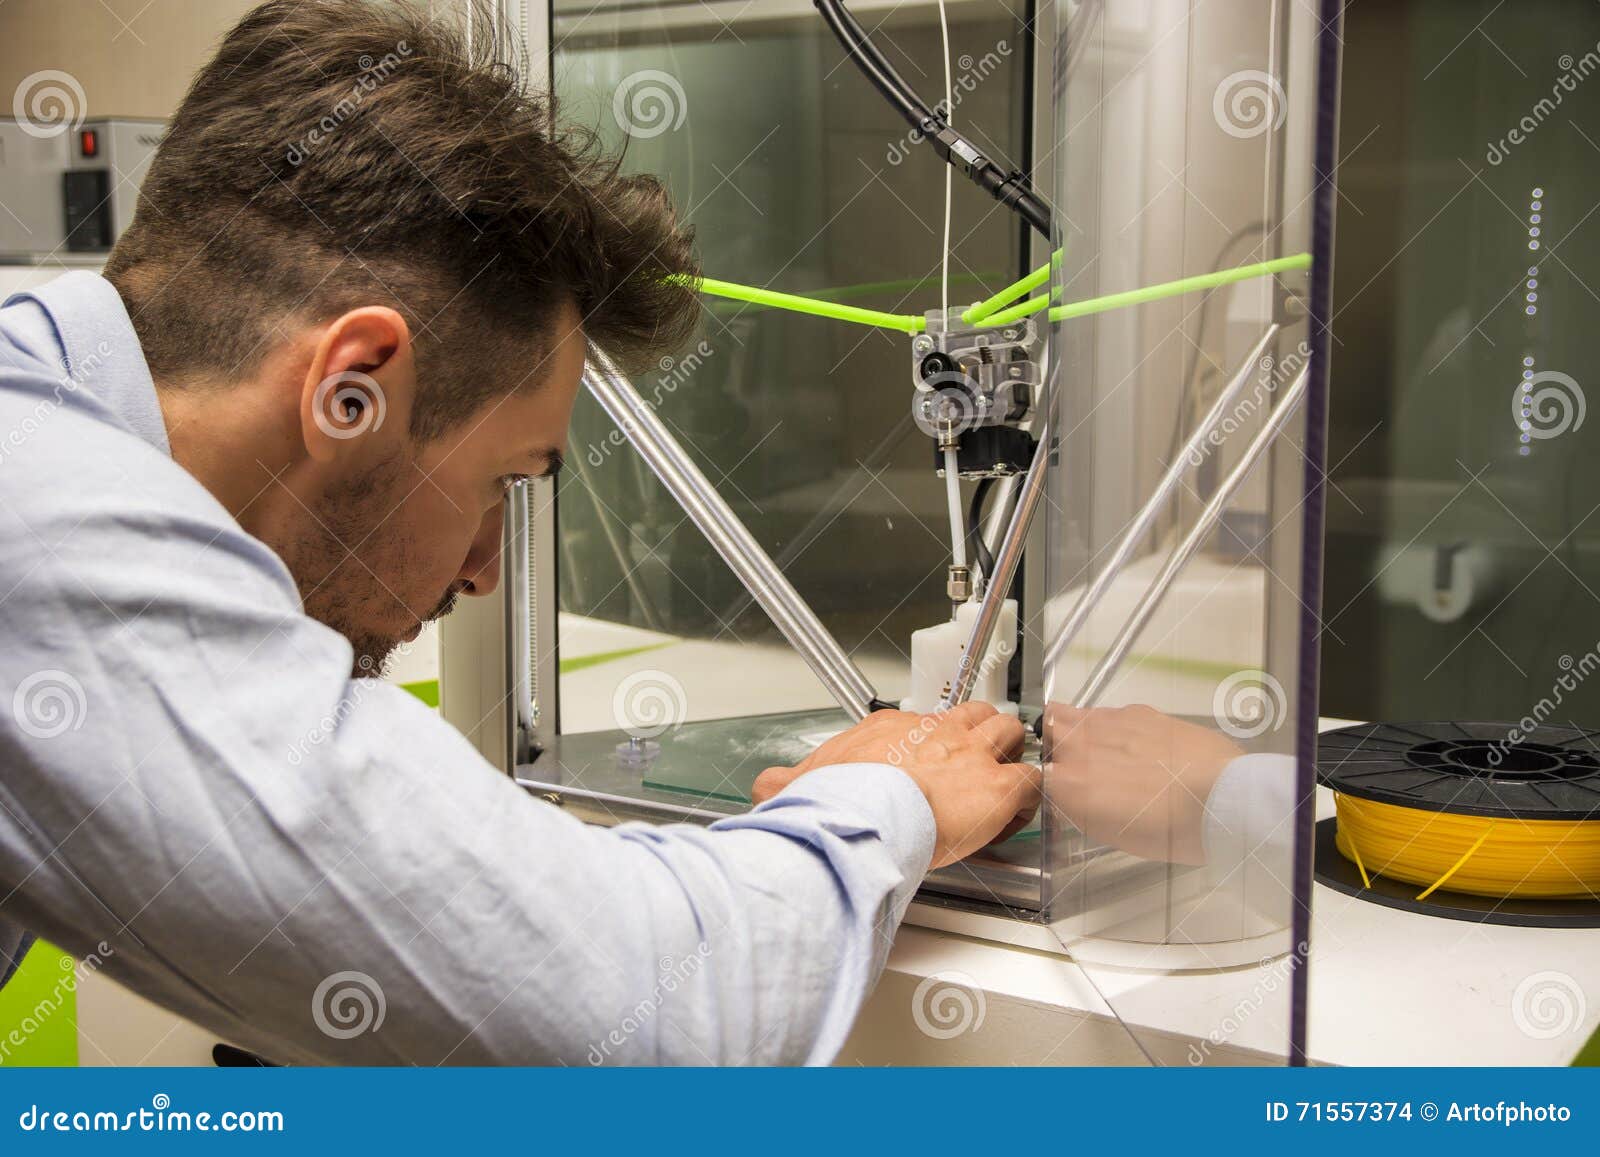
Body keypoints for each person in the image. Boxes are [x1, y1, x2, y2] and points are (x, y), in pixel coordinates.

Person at [0, 0, 1038, 1065]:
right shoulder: (44, 519)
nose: (487, 570)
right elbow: (651, 1021)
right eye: (504, 479)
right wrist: (888, 799)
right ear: (353, 391)